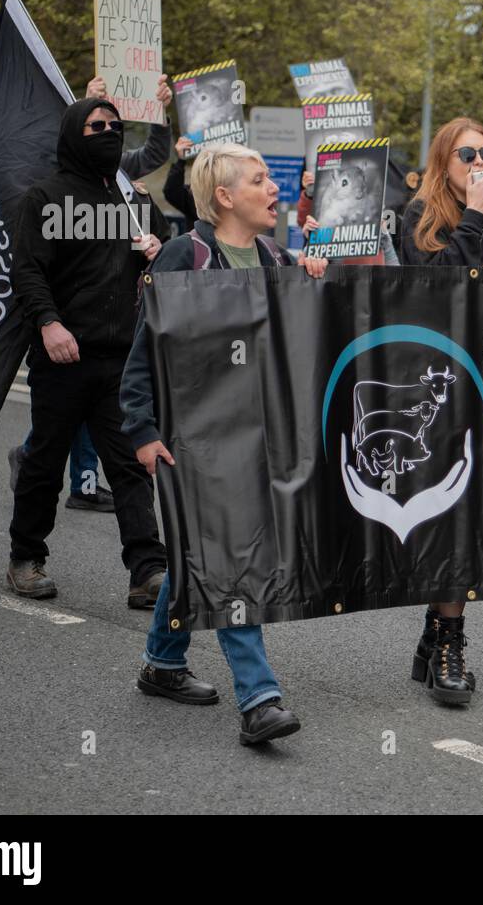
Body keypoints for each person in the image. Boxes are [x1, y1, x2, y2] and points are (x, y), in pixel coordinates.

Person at [120, 142, 328, 745]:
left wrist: (312, 278)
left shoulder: (274, 255)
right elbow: (146, 349)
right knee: (234, 556)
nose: (274, 189)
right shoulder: (186, 255)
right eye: (260, 179)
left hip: (258, 437)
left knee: (200, 552)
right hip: (193, 438)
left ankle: (162, 663)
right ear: (225, 196)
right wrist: (142, 430)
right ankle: (260, 699)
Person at [396, 116, 483, 706]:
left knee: (474, 521)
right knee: (449, 519)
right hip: (439, 385)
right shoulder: (418, 218)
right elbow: (433, 290)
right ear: (442, 163)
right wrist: (475, 221)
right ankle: (449, 645)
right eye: (466, 155)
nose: (480, 164)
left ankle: (436, 637)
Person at [6, 96, 167, 608]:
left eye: (116, 126)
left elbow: (164, 259)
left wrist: (156, 252)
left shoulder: (133, 201)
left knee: (130, 465)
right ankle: (26, 556)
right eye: (96, 125)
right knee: (45, 461)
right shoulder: (45, 197)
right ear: (75, 133)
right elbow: (27, 270)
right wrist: (50, 324)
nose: (109, 132)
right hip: (62, 357)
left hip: (121, 359)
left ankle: (147, 570)